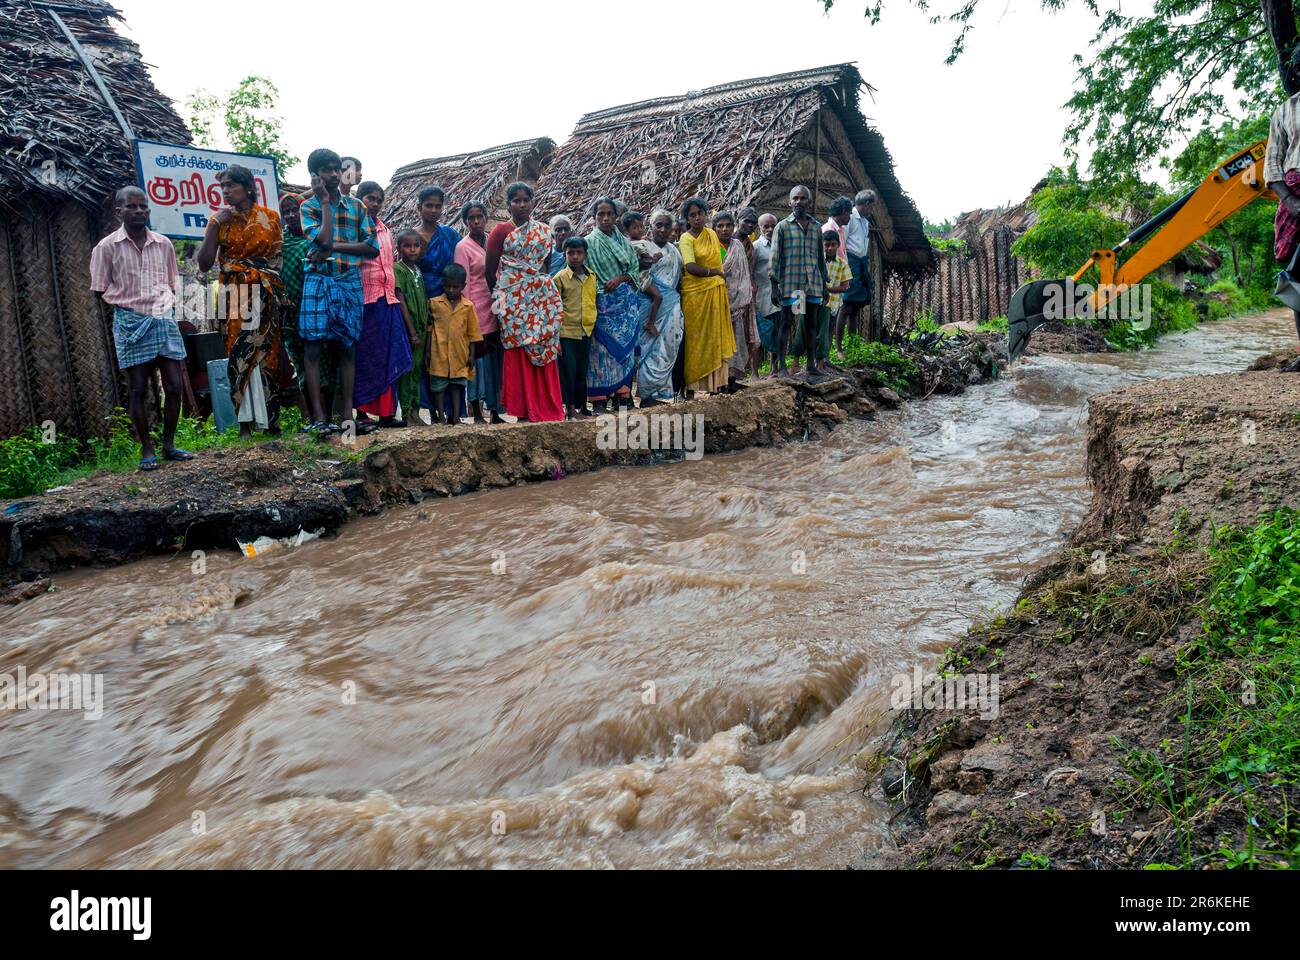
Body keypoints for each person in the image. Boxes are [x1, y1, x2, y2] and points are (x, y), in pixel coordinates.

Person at [90, 186, 192, 470]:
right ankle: (147, 449)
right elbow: (98, 289)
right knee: (138, 388)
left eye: (143, 206)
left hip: (162, 318)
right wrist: (129, 304)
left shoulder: (163, 244)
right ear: (118, 211)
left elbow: (173, 283)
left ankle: (169, 444)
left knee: (173, 385)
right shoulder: (107, 247)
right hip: (131, 322)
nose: (139, 211)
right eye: (132, 207)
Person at [195, 164, 284, 436]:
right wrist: (214, 226)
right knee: (238, 352)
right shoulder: (219, 220)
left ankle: (270, 422)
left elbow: (276, 259)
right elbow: (204, 263)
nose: (226, 191)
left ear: (248, 188)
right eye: (222, 186)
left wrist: (269, 286)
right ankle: (244, 425)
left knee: (267, 354)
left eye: (231, 185)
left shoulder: (270, 218)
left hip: (265, 290)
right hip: (232, 293)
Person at [298, 147, 380, 435]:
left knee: (348, 348)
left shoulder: (357, 206)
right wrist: (323, 203)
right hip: (318, 281)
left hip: (348, 281)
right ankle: (319, 419)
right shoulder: (307, 206)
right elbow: (319, 240)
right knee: (312, 349)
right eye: (326, 170)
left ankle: (346, 418)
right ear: (315, 175)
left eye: (336, 168)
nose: (333, 174)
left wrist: (333, 247)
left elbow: (372, 248)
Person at [485, 181, 565, 422]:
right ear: (508, 205)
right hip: (511, 300)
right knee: (519, 349)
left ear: (532, 202)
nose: (521, 204)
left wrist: (536, 290)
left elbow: (546, 266)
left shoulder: (542, 230)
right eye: (516, 200)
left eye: (525, 200)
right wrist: (503, 297)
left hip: (540, 298)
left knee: (544, 344)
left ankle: (546, 407)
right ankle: (522, 410)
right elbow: (490, 272)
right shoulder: (500, 231)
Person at [353, 181, 415, 428]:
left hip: (387, 300)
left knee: (390, 355)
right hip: (366, 300)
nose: (375, 203)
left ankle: (387, 413)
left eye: (379, 199)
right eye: (370, 198)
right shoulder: (354, 228)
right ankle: (363, 414)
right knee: (367, 357)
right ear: (359, 200)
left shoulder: (385, 230)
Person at [585, 197, 643, 412]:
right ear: (594, 218)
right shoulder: (589, 243)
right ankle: (600, 400)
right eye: (601, 214)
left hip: (625, 305)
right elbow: (582, 273)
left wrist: (620, 279)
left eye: (609, 214)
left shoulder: (625, 243)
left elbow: (635, 270)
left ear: (616, 217)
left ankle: (623, 397)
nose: (606, 218)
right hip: (601, 305)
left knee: (626, 354)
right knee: (600, 354)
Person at [454, 200, 505, 424]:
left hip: (494, 307)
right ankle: (476, 411)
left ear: (485, 218)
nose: (476, 221)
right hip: (474, 310)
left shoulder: (491, 242)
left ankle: (494, 411)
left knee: (494, 362)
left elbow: (501, 272)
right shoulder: (462, 247)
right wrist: (465, 315)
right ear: (465, 222)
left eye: (479, 217)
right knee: (475, 361)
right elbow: (463, 283)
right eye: (471, 218)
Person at [678, 197, 736, 395]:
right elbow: (690, 266)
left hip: (715, 294)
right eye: (692, 215)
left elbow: (718, 260)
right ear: (687, 218)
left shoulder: (711, 234)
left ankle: (717, 385)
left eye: (699, 214)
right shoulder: (686, 238)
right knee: (696, 340)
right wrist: (715, 274)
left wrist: (717, 275)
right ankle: (692, 387)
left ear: (705, 215)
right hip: (695, 296)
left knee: (715, 337)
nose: (696, 218)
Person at [770, 184, 828, 379]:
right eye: (795, 198)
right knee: (787, 323)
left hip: (812, 283)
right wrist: (773, 285)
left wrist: (824, 285)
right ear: (789, 202)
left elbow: (821, 258)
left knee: (811, 323)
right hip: (792, 284)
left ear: (809, 202)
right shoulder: (783, 227)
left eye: (803, 198)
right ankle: (782, 367)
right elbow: (775, 257)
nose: (799, 202)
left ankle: (811, 364)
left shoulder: (815, 227)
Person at [1264, 99, 1300, 371]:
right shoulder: (1286, 110)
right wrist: (1291, 200)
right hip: (1295, 195)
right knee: (1297, 278)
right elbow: (1272, 164)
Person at [636, 209, 685, 407]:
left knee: (670, 346)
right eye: (658, 225)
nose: (663, 229)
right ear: (651, 226)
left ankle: (662, 393)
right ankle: (647, 396)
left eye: (667, 225)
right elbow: (637, 275)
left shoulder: (674, 250)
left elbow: (678, 278)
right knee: (650, 348)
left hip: (671, 305)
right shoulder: (643, 248)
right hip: (649, 306)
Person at [426, 263, 483, 425]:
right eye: (448, 286)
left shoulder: (468, 306)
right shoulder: (434, 303)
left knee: (457, 387)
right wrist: (428, 352)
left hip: (460, 354)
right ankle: (441, 418)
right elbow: (430, 329)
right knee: (438, 387)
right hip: (439, 353)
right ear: (443, 284)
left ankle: (456, 417)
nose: (451, 290)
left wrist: (472, 355)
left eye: (455, 287)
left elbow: (473, 333)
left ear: (463, 286)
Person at [552, 236, 597, 419]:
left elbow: (592, 302)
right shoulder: (559, 278)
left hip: (586, 330)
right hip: (567, 332)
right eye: (571, 253)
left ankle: (582, 407)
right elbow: (554, 308)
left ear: (585, 255)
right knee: (568, 372)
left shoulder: (591, 276)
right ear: (565, 255)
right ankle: (569, 409)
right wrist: (556, 338)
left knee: (582, 370)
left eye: (579, 253)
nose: (575, 257)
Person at [394, 229, 431, 424]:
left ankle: (415, 411)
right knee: (407, 371)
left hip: (421, 328)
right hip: (408, 330)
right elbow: (401, 300)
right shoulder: (398, 270)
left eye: (416, 246)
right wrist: (411, 331)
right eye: (407, 246)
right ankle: (407, 412)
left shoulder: (417, 271)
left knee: (417, 370)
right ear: (399, 248)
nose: (412, 250)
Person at [715, 210, 756, 387]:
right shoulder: (711, 245)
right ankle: (718, 382)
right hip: (716, 299)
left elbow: (744, 274)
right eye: (720, 226)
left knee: (736, 341)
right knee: (719, 342)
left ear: (733, 227)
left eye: (728, 225)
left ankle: (731, 379)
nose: (725, 229)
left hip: (737, 301)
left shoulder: (738, 246)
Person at [841, 190, 876, 344]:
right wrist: (845, 268)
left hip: (861, 262)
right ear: (867, 204)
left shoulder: (865, 222)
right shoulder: (850, 218)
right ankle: (840, 345)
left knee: (856, 305)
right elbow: (842, 243)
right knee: (847, 303)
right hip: (850, 262)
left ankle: (852, 342)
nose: (872, 210)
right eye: (872, 207)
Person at [623, 210, 663, 341]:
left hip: (643, 276)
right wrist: (655, 258)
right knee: (658, 297)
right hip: (641, 278)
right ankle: (650, 323)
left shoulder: (634, 242)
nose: (639, 230)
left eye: (641, 226)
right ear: (627, 231)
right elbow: (647, 261)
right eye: (635, 228)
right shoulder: (636, 245)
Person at [752, 212, 780, 377]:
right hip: (760, 297)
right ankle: (754, 372)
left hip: (778, 298)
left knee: (776, 334)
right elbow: (750, 271)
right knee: (758, 337)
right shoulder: (755, 247)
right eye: (766, 226)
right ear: (759, 228)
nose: (769, 229)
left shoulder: (781, 245)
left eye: (772, 226)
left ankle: (774, 369)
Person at [822, 232, 852, 364]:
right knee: (818, 329)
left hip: (834, 303)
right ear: (822, 246)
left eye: (833, 245)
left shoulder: (842, 264)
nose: (829, 248)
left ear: (838, 245)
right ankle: (817, 359)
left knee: (829, 329)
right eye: (827, 245)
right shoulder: (819, 261)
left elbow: (845, 286)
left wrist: (826, 289)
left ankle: (826, 358)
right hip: (819, 303)